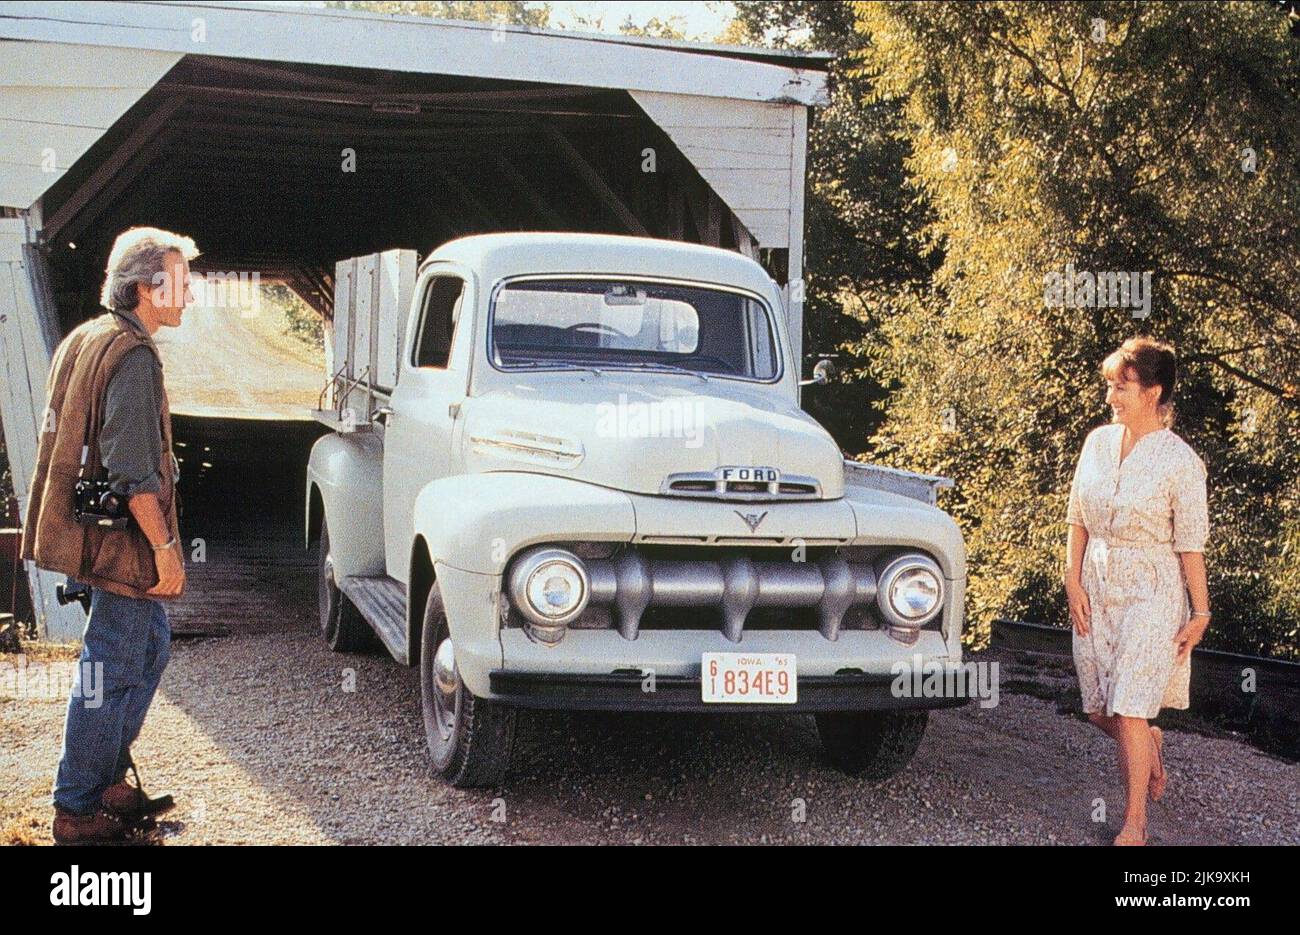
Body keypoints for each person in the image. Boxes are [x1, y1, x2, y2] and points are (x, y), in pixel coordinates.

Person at [20, 227, 195, 843]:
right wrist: (166, 552)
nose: (189, 296)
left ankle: (106, 777)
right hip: (124, 542)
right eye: (180, 282)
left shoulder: (91, 337)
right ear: (148, 288)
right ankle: (76, 807)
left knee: (147, 650)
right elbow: (132, 472)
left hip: (94, 533)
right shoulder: (135, 356)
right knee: (111, 664)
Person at [1064, 336, 1211, 846]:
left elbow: (1191, 544)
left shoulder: (1181, 462)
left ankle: (1135, 824)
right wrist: (1071, 578)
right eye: (1110, 385)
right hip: (1098, 582)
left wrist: (1201, 611)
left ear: (1153, 391)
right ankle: (1148, 742)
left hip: (1153, 588)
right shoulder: (1097, 443)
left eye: (1121, 386)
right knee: (1099, 708)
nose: (1111, 396)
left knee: (1129, 703)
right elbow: (1078, 516)